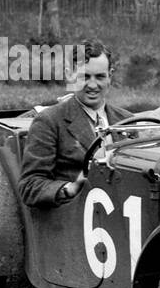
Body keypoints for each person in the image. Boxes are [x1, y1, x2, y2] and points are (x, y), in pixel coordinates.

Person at [20, 40, 132, 208]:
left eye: (100, 76)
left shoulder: (127, 120)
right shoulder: (49, 121)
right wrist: (69, 189)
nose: (92, 85)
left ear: (110, 76)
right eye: (84, 77)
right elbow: (30, 186)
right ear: (69, 75)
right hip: (75, 218)